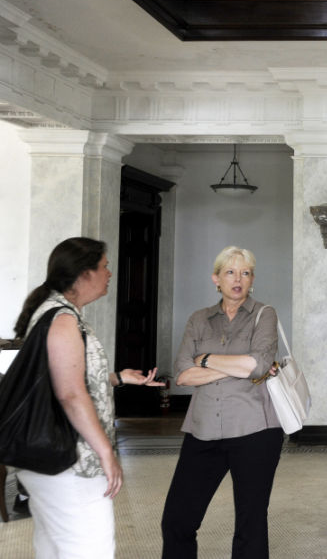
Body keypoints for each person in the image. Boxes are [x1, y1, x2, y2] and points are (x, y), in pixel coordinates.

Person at [12, 237, 161, 557]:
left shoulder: (56, 311)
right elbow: (69, 393)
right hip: (70, 460)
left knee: (54, 548)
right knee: (89, 549)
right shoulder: (63, 319)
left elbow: (64, 378)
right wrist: (106, 451)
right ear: (84, 274)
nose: (110, 273)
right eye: (105, 267)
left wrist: (118, 377)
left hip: (56, 459)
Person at [161, 246, 283, 559]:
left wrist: (204, 360)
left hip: (255, 429)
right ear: (216, 278)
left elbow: (256, 366)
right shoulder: (198, 319)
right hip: (202, 430)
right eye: (230, 272)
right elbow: (182, 375)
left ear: (252, 278)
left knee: (250, 526)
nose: (238, 279)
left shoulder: (264, 314)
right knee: (177, 519)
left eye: (245, 272)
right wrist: (236, 367)